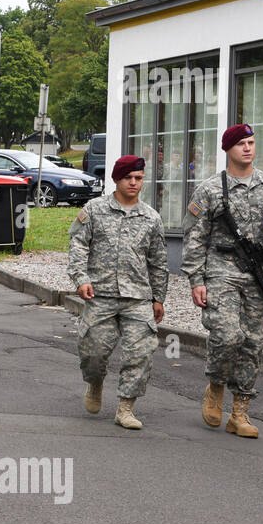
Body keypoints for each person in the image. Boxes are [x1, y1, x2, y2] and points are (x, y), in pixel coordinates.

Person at [183, 124, 263, 438]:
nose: (248, 148)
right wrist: (196, 279)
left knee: (252, 342)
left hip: (261, 275)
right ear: (228, 149)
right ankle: (216, 385)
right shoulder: (210, 189)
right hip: (221, 270)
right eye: (241, 143)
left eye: (251, 142)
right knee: (226, 334)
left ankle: (240, 411)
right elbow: (194, 237)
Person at [68, 155, 169, 429]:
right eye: (128, 178)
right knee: (93, 352)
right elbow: (78, 245)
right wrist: (81, 279)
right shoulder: (95, 209)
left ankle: (126, 407)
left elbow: (158, 262)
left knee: (141, 352)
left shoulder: (151, 218)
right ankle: (95, 382)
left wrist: (159, 297)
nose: (134, 183)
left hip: (137, 297)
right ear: (116, 179)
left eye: (139, 178)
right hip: (100, 295)